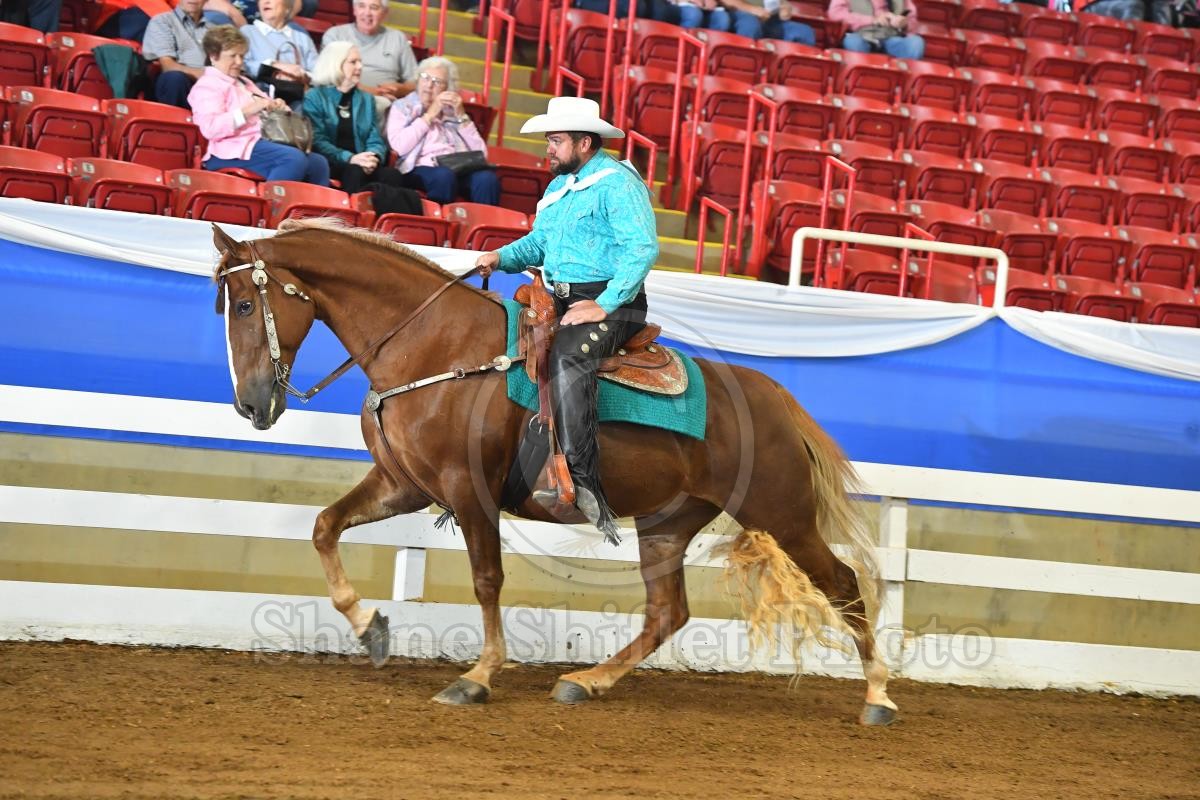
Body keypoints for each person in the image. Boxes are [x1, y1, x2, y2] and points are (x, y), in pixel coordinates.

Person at [474, 97, 658, 541]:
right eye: (550, 141)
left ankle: (581, 481)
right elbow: (539, 245)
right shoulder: (558, 189)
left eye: (556, 141)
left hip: (614, 304)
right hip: (556, 300)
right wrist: (500, 257)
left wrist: (607, 303)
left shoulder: (617, 183)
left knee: (569, 358)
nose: (549, 149)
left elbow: (642, 247)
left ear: (584, 142)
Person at [188, 25, 330, 185]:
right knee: (292, 158)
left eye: (241, 56)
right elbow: (211, 129)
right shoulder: (208, 86)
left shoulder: (245, 81)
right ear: (213, 56)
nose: (239, 62)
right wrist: (248, 111)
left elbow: (266, 106)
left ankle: (312, 210)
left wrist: (277, 106)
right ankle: (269, 207)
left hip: (261, 143)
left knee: (318, 163)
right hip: (231, 150)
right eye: (232, 56)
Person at [304, 42, 422, 215]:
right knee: (354, 172)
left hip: (363, 161)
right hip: (332, 160)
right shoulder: (315, 97)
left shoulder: (366, 99)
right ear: (337, 64)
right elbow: (318, 140)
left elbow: (375, 137)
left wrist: (373, 156)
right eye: (353, 62)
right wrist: (351, 158)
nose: (360, 67)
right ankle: (349, 221)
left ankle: (386, 229)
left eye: (360, 62)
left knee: (392, 175)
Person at [386, 56, 499, 206]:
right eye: (425, 78)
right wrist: (429, 115)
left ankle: (483, 226)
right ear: (417, 80)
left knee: (487, 179)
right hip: (420, 168)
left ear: (447, 88)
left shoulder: (452, 111)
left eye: (437, 82)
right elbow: (399, 146)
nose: (429, 85)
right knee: (443, 176)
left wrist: (461, 116)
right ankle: (441, 226)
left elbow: (481, 154)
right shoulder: (403, 106)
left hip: (458, 167)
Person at [321, 0, 418, 118]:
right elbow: (330, 75)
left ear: (385, 13)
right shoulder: (335, 35)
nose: (367, 13)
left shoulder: (397, 38)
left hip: (388, 101)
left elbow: (414, 82)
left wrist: (399, 89)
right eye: (361, 6)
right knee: (378, 105)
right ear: (354, 10)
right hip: (344, 96)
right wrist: (373, 92)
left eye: (374, 7)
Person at [241, 0, 318, 103]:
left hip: (300, 95)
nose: (266, 2)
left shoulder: (302, 38)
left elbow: (318, 74)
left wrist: (300, 73)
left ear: (287, 7)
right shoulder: (247, 32)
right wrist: (274, 66)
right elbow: (243, 65)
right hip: (263, 96)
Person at [142, 0, 211, 107]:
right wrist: (204, 75)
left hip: (211, 85)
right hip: (181, 82)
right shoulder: (163, 21)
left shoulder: (214, 29)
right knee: (174, 79)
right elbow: (168, 66)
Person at [828, 0, 925, 60]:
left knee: (916, 42)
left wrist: (904, 23)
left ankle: (901, 84)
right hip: (862, 34)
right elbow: (835, 14)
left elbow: (912, 20)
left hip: (892, 36)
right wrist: (872, 20)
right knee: (853, 41)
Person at [710, 0, 816, 43]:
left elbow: (779, 3)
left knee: (805, 32)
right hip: (738, 14)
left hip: (769, 20)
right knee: (750, 24)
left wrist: (785, 7)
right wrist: (751, 9)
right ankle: (743, 66)